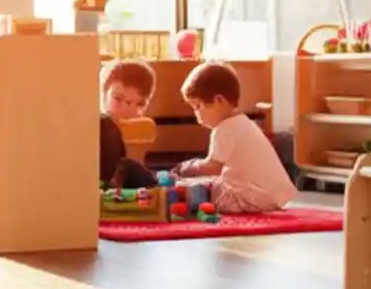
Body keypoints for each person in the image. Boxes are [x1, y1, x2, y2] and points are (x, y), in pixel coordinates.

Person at [172, 62, 297, 213]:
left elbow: (213, 167)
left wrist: (187, 167)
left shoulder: (225, 129)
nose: (197, 114)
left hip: (249, 197)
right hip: (271, 196)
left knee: (194, 189)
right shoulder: (244, 123)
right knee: (211, 184)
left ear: (219, 100)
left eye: (198, 106)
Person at [99, 59, 158, 188]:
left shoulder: (141, 132)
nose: (128, 109)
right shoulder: (104, 126)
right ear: (103, 95)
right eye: (118, 99)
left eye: (139, 104)